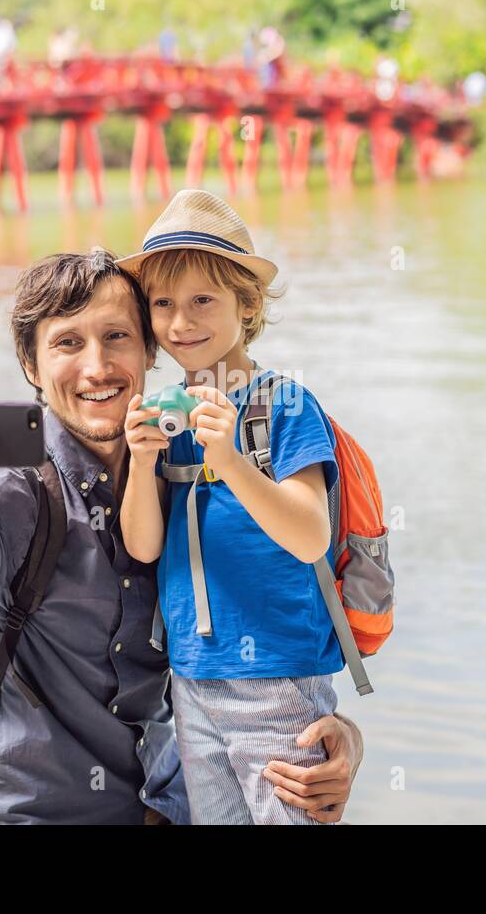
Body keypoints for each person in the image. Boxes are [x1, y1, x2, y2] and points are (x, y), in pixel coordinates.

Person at [0, 250, 363, 824]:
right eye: (67, 344)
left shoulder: (182, 456)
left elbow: (265, 589)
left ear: (149, 349)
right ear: (31, 365)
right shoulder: (13, 485)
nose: (97, 367)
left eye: (116, 336)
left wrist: (326, 729)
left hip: (165, 802)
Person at [117, 190, 348, 824]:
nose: (180, 321)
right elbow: (145, 546)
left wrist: (234, 462)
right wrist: (141, 463)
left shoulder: (286, 404)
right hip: (190, 678)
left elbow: (308, 537)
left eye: (202, 301)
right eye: (162, 304)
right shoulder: (169, 412)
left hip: (274, 676)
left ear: (247, 307)